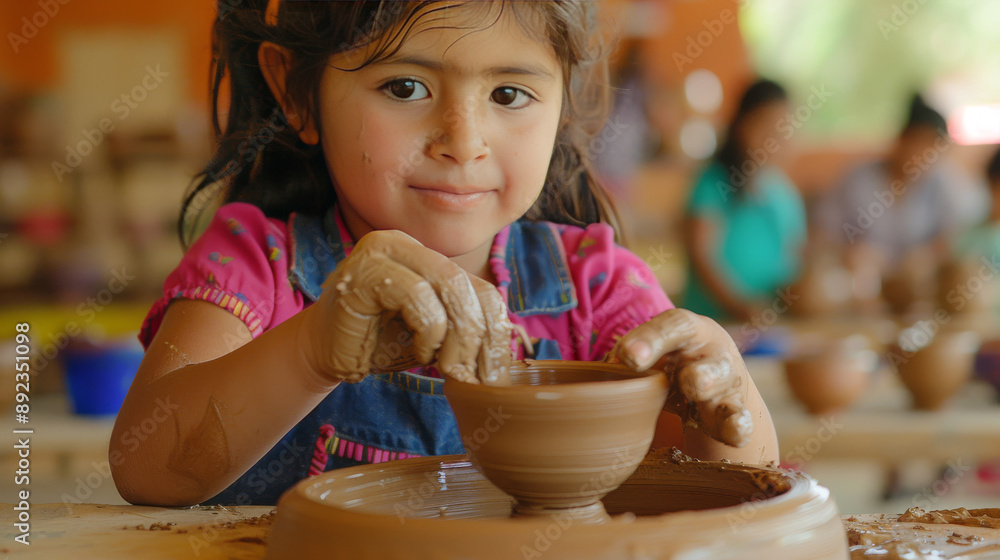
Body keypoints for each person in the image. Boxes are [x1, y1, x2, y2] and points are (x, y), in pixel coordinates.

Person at [110, 0, 778, 507]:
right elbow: (146, 467)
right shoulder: (256, 262)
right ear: (295, 91)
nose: (464, 141)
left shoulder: (598, 289)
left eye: (509, 94)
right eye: (405, 88)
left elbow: (731, 485)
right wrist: (313, 349)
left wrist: (725, 386)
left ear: (563, 101)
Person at [818, 94, 988, 276]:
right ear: (902, 139)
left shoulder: (944, 186)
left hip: (918, 282)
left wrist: (929, 256)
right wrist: (850, 253)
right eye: (920, 143)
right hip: (857, 278)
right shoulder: (858, 179)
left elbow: (963, 232)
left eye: (934, 149)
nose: (926, 155)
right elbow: (823, 234)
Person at [682, 79, 807, 322]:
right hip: (715, 323)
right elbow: (701, 256)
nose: (774, 139)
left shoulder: (784, 194)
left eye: (783, 130)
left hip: (767, 326)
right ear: (740, 125)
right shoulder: (712, 183)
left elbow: (795, 259)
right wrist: (740, 307)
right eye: (765, 127)